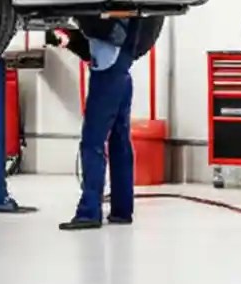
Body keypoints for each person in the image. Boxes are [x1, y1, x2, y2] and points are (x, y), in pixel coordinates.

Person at [46, 15, 164, 231]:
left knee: (92, 141)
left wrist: (70, 27)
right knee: (119, 139)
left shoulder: (112, 18)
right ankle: (121, 209)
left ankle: (89, 212)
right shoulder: (137, 14)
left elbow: (101, 30)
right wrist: (69, 38)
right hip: (121, 64)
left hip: (109, 66)